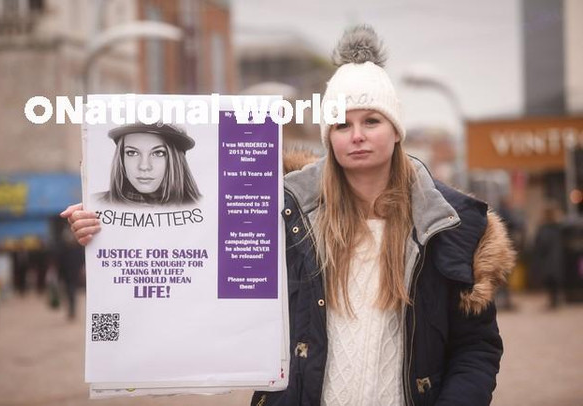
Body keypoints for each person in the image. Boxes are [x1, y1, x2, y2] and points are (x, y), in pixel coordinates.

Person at [62, 25, 515, 406]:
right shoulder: (278, 213)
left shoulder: (452, 226)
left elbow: (476, 348)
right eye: (341, 124)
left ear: (395, 129)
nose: (356, 136)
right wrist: (109, 228)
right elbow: (191, 255)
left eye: (371, 121)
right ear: (328, 134)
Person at [95, 122, 201, 206]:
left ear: (176, 159)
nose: (144, 166)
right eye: (132, 152)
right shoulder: (96, 205)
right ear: (121, 157)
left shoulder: (205, 210)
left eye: (158, 153)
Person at [531, 202, 564, 309]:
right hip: (557, 257)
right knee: (554, 280)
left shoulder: (544, 228)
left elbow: (540, 243)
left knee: (550, 280)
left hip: (547, 258)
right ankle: (555, 300)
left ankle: (553, 300)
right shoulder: (559, 227)